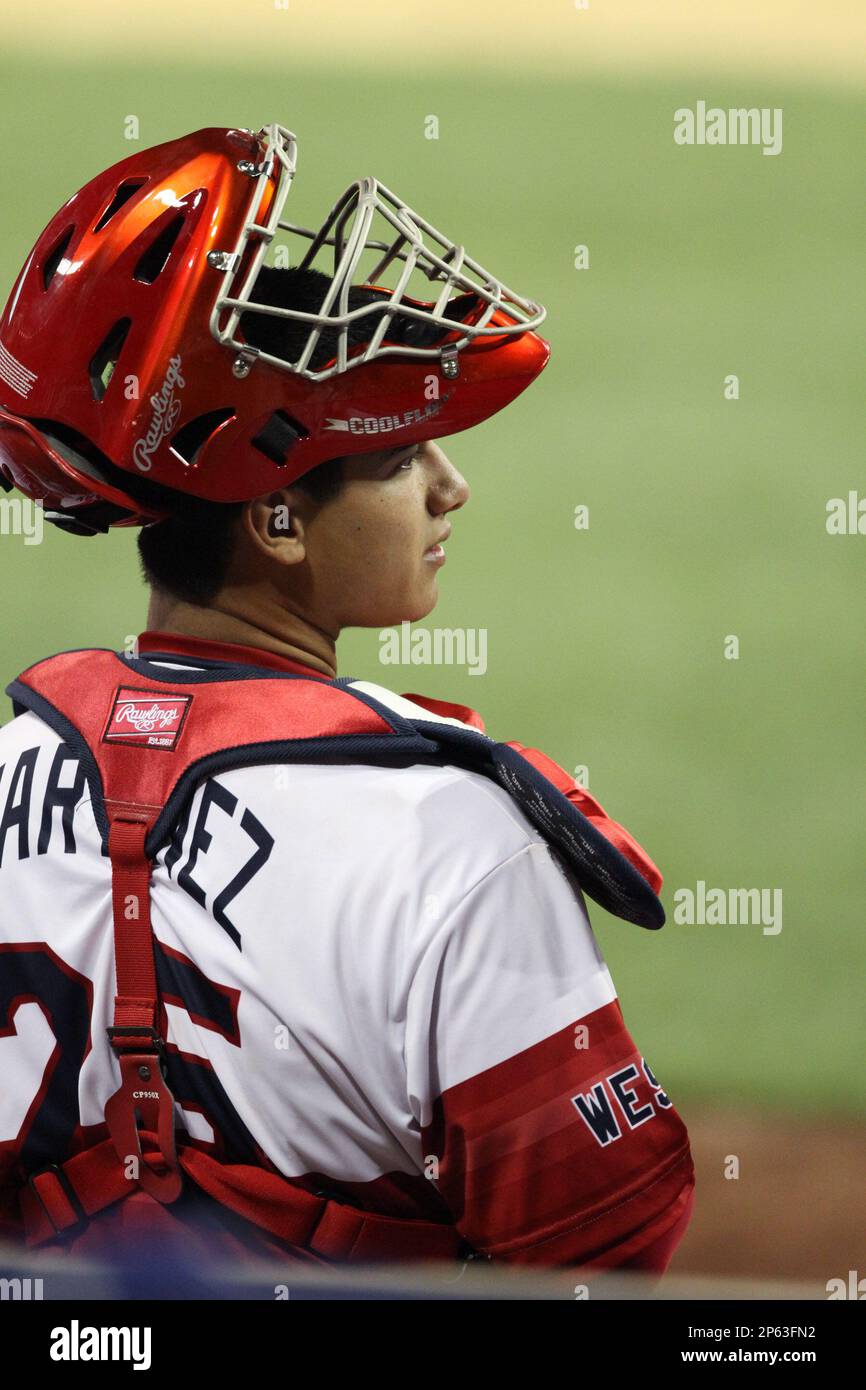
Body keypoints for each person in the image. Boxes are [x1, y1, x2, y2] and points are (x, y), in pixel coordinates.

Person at [0, 123, 694, 1276]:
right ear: (274, 521)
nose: (448, 486)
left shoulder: (13, 759)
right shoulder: (451, 845)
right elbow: (600, 1253)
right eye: (399, 453)